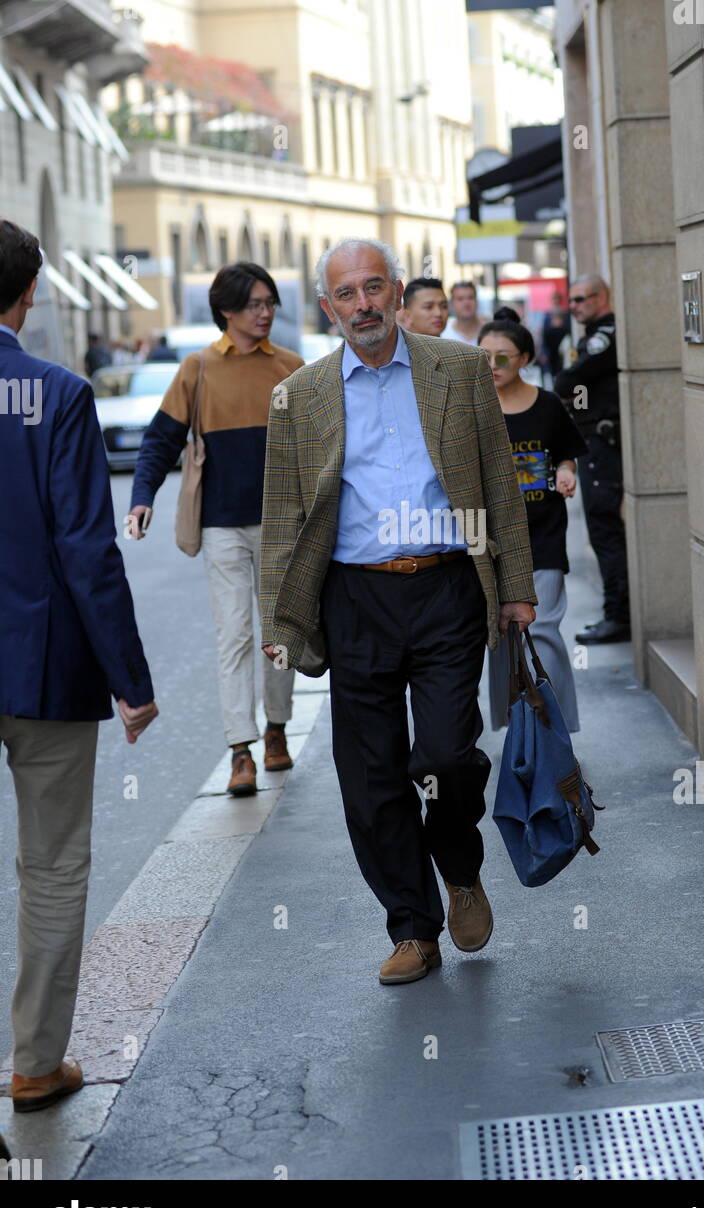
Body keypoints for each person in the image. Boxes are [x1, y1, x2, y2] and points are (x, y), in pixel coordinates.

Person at [259, 238, 536, 987]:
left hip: (446, 587)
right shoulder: (302, 394)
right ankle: (412, 928)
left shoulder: (459, 368)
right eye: (345, 294)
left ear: (394, 290)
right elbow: (282, 517)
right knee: (371, 774)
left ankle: (460, 867)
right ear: (327, 308)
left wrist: (515, 585)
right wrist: (280, 626)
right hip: (354, 599)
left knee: (446, 754)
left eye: (373, 287)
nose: (364, 305)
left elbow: (497, 484)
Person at [0, 220, 157, 1134]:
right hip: (46, 667)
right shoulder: (53, 394)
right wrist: (129, 680)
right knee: (53, 865)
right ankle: (31, 1064)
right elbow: (85, 549)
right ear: (27, 296)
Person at [127, 262, 304, 795]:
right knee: (234, 635)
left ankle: (276, 730)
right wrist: (141, 500)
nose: (265, 312)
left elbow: (323, 446)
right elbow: (159, 442)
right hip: (222, 525)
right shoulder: (197, 368)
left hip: (281, 527)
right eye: (254, 304)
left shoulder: (292, 367)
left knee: (280, 636)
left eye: (270, 302)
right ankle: (240, 750)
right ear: (226, 311)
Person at [479, 308, 584, 732]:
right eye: (483, 355)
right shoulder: (472, 410)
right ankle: (514, 730)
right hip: (487, 543)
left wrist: (566, 470)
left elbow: (566, 453)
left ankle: (556, 726)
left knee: (543, 633)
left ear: (524, 358)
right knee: (500, 639)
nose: (492, 365)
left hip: (542, 535)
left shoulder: (548, 406)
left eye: (502, 355)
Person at [554, 274, 630, 644]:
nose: (575, 305)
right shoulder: (591, 335)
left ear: (604, 297)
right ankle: (615, 613)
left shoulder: (606, 334)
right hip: (594, 442)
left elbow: (571, 378)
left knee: (605, 529)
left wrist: (565, 386)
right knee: (602, 529)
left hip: (602, 445)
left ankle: (618, 616)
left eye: (583, 299)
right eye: (572, 300)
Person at [537, 290, 571, 386]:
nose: (555, 301)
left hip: (562, 350)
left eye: (557, 299)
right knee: (551, 374)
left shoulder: (565, 315)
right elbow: (543, 335)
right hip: (551, 351)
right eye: (554, 299)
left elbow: (568, 331)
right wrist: (543, 352)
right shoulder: (548, 316)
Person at [441, 279, 487, 344]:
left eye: (470, 298)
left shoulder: (489, 331)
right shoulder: (443, 331)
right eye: (460, 299)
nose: (466, 303)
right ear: (451, 304)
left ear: (477, 301)